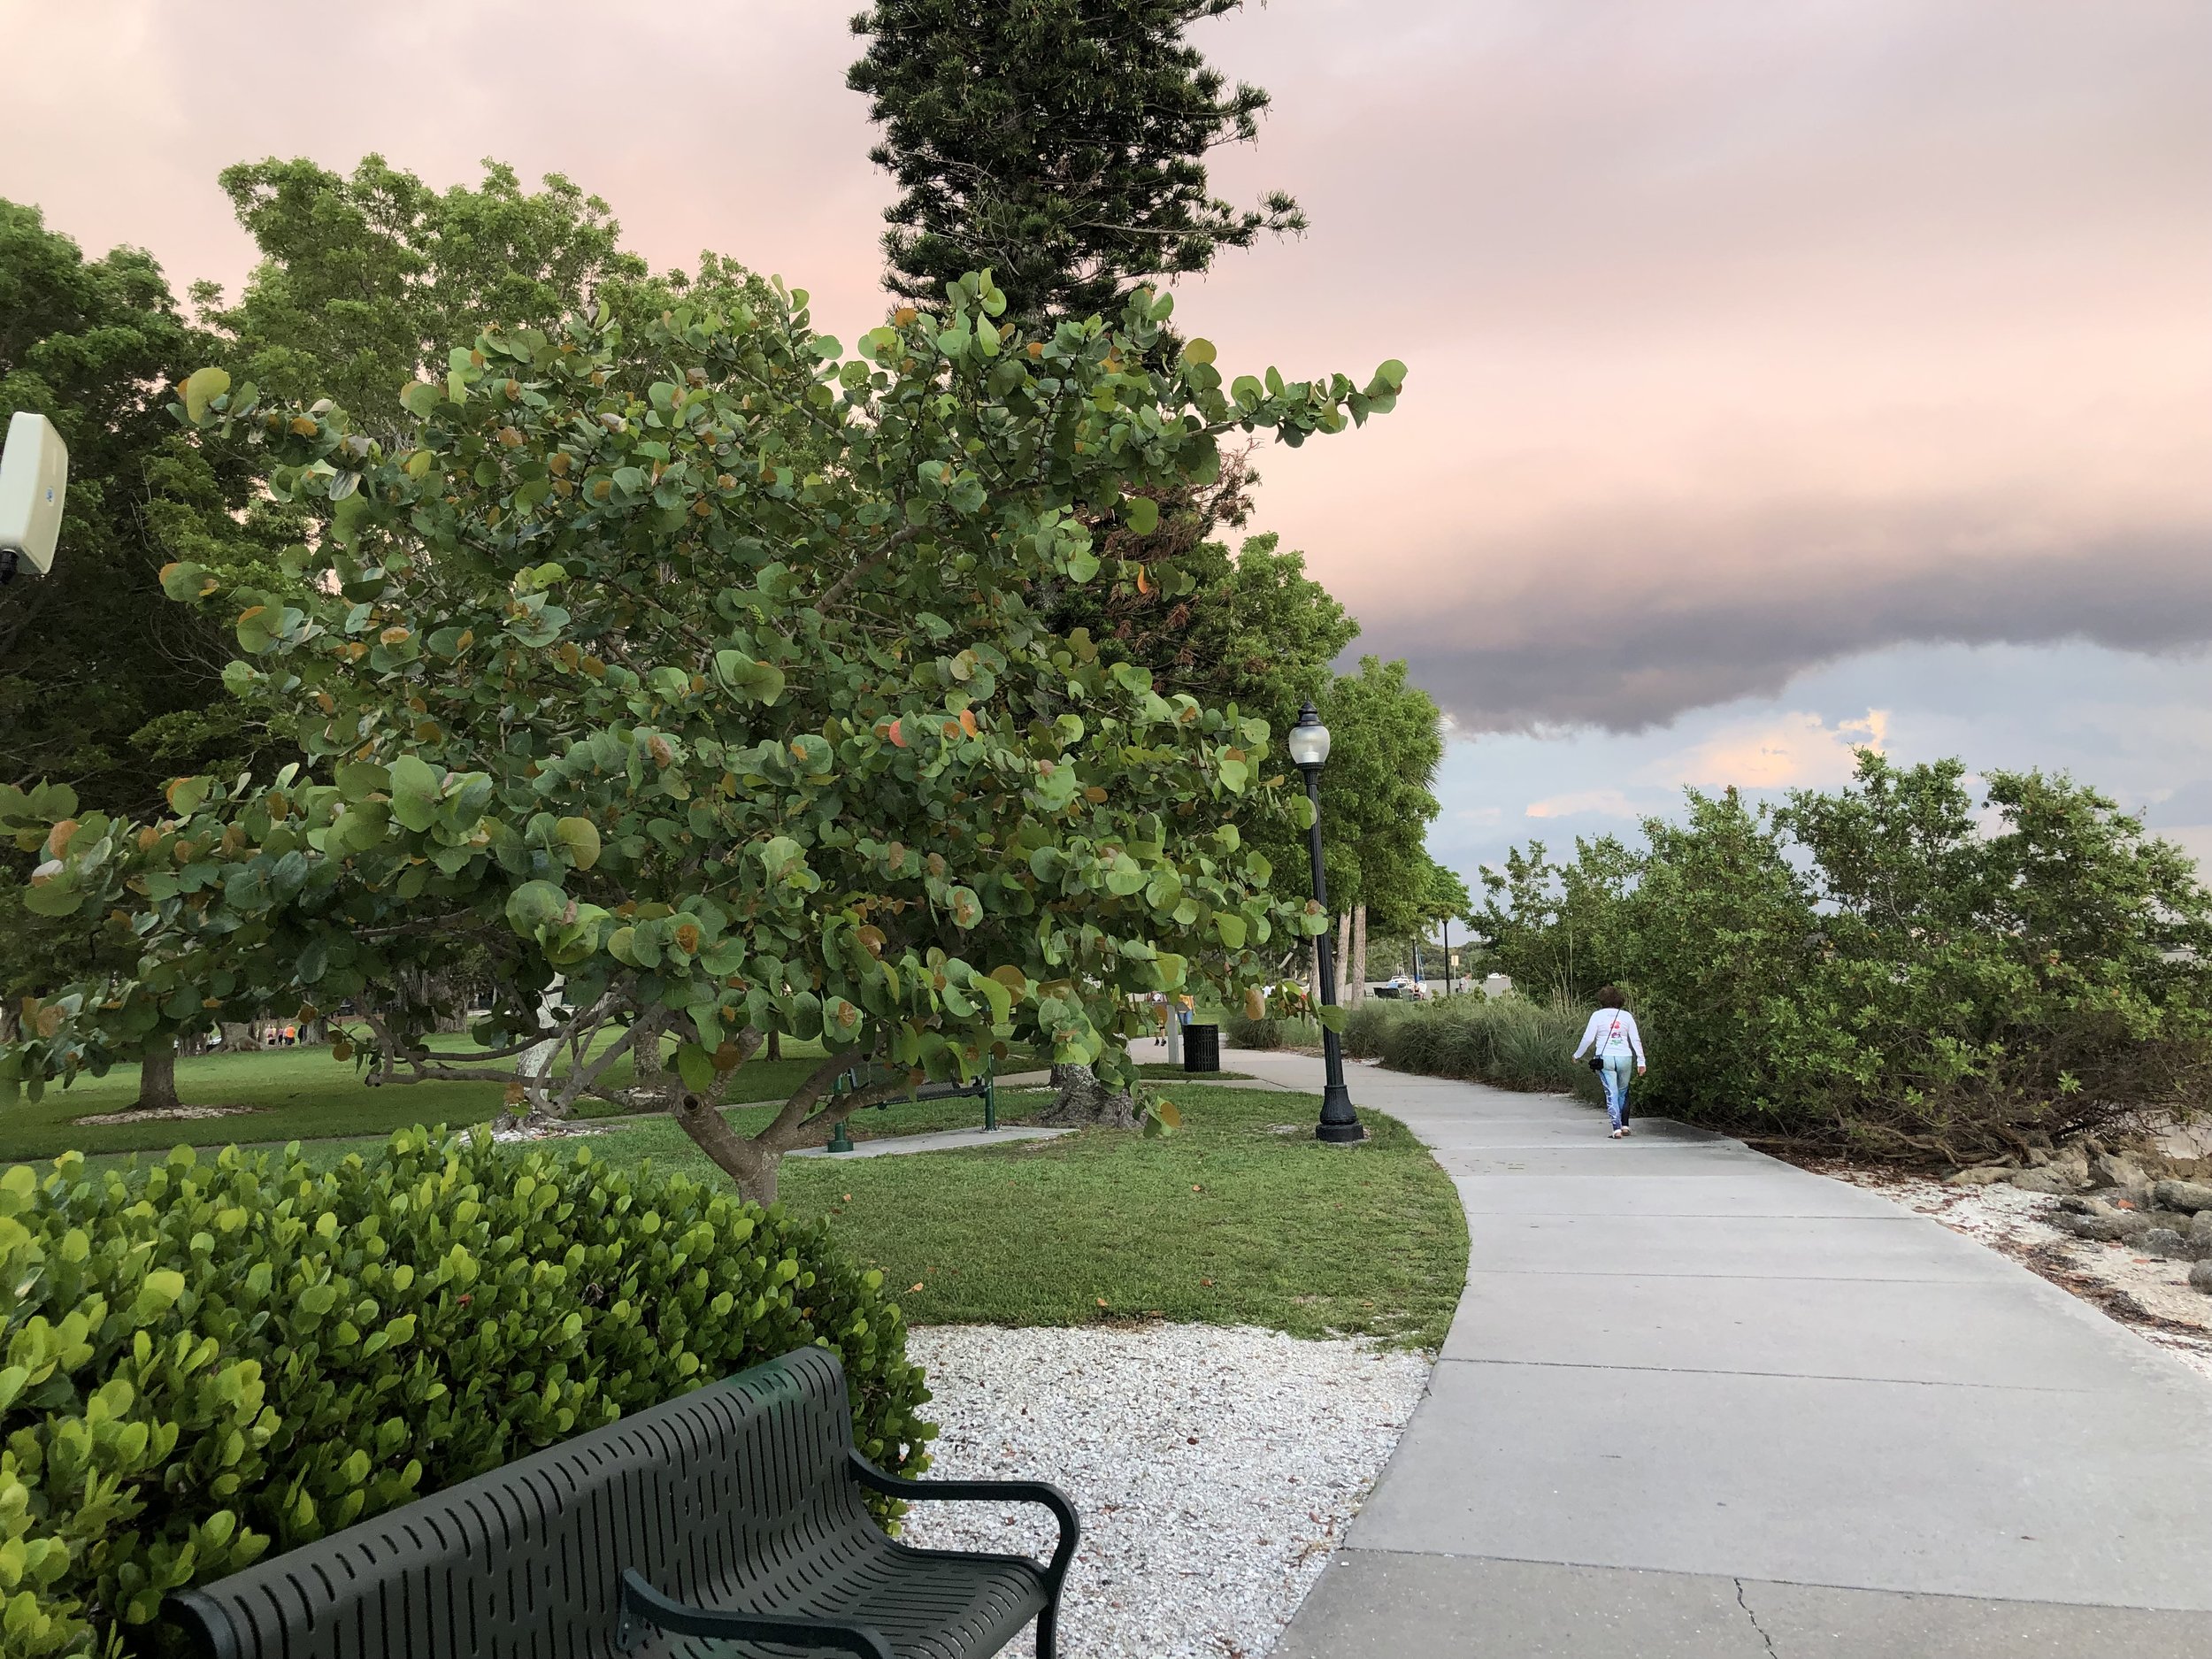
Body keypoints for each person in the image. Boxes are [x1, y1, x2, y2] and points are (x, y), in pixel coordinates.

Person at [1572, 987, 1647, 1138]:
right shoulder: (1626, 1016)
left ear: (1602, 1000)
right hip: (1625, 1057)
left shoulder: (1597, 1016)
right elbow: (1635, 1039)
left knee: (1611, 1093)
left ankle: (1616, 1129)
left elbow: (1588, 1038)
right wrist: (1641, 1061)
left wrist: (1577, 1055)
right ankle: (1625, 1125)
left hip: (1605, 1058)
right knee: (1623, 1092)